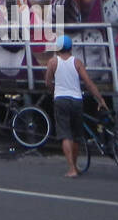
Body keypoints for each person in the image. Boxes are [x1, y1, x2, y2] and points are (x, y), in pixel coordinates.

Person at [45, 35, 110, 178]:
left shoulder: (53, 62)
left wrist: (53, 90)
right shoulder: (77, 62)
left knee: (65, 135)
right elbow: (88, 82)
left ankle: (72, 168)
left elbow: (48, 82)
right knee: (75, 135)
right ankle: (76, 166)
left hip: (61, 99)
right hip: (76, 100)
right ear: (70, 48)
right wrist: (100, 99)